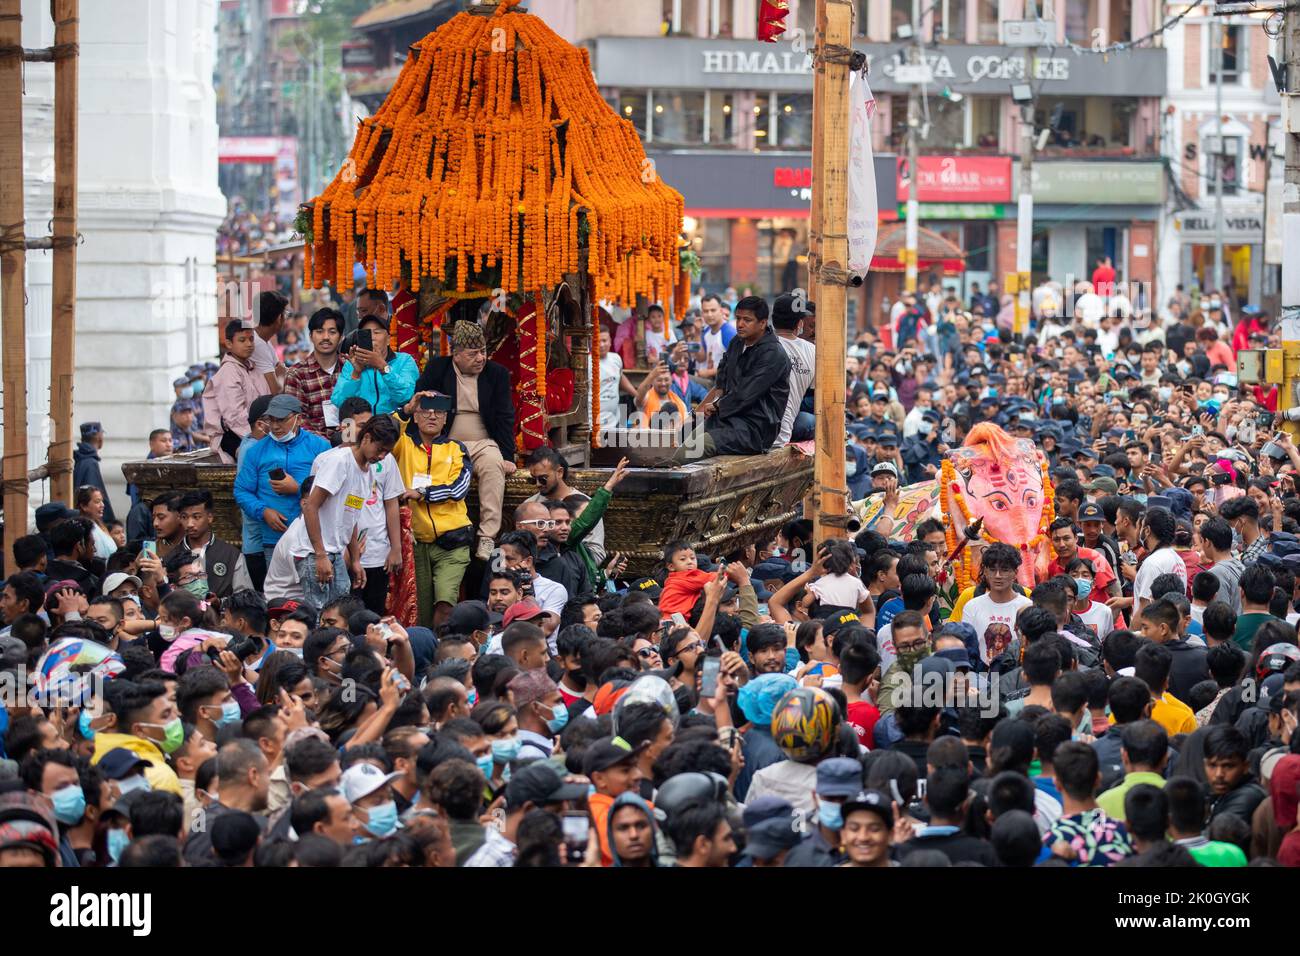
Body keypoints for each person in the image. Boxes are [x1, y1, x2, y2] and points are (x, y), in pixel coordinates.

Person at [413, 320, 517, 561]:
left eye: (483, 352)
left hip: (483, 442)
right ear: (456, 354)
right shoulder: (438, 370)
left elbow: (504, 416)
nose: (481, 358)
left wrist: (507, 456)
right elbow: (422, 404)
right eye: (473, 354)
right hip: (446, 443)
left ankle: (487, 536)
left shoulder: (496, 373)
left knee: (493, 465)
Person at [272, 416, 399, 611]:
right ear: (366, 438)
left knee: (342, 615)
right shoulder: (339, 461)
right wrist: (320, 555)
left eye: (387, 452)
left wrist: (356, 560)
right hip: (313, 553)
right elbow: (310, 507)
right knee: (321, 617)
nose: (382, 456)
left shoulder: (368, 469)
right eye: (380, 449)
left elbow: (352, 516)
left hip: (337, 553)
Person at [673, 295, 790, 462]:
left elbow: (745, 394)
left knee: (693, 448)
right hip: (727, 420)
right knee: (682, 436)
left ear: (762, 323)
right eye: (738, 318)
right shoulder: (737, 342)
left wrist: (718, 405)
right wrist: (696, 415)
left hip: (754, 429)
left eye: (747, 320)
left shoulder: (773, 355)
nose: (740, 324)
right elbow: (722, 378)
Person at [392, 391, 473, 627]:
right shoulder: (403, 445)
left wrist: (423, 493)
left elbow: (458, 489)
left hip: (453, 538)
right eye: (424, 411)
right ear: (415, 417)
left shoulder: (456, 448)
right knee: (420, 609)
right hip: (416, 541)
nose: (432, 416)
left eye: (438, 412)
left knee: (445, 604)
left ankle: (442, 650)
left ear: (446, 419)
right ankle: (425, 652)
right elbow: (381, 431)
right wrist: (406, 409)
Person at [233, 393, 331, 564]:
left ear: (298, 419)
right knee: (279, 590)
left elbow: (333, 487)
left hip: (313, 536)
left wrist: (298, 489)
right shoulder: (256, 451)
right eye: (271, 420)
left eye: (281, 420)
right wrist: (263, 511)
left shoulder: (319, 446)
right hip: (273, 538)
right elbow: (242, 491)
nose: (275, 426)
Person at [201, 321, 272, 464]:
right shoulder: (228, 372)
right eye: (242, 340)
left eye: (251, 339)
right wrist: (257, 438)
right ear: (229, 344)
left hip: (259, 430)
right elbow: (234, 416)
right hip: (233, 436)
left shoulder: (253, 368)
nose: (249, 344)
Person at [175, 489, 254, 600]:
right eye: (184, 517)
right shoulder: (172, 556)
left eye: (196, 517)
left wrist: (220, 603)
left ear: (210, 517)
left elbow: (245, 597)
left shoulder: (231, 555)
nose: (189, 524)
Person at [283, 307, 344, 436]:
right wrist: (325, 445)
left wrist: (348, 443)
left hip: (351, 443)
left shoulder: (350, 368)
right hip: (314, 448)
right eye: (320, 331)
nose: (326, 337)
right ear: (311, 336)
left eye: (332, 332)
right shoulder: (296, 374)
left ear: (341, 337)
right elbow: (296, 419)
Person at [770, 292, 816, 447]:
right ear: (799, 324)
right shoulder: (813, 351)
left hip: (755, 430)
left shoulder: (757, 344)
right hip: (781, 434)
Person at [72, 422, 117, 525]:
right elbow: (93, 495)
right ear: (99, 437)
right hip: (89, 522)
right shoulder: (90, 463)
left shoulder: (79, 459)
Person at [251, 289, 288, 395]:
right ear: (278, 318)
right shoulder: (258, 345)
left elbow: (279, 367)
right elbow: (276, 390)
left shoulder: (263, 340)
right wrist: (281, 375)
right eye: (285, 314)